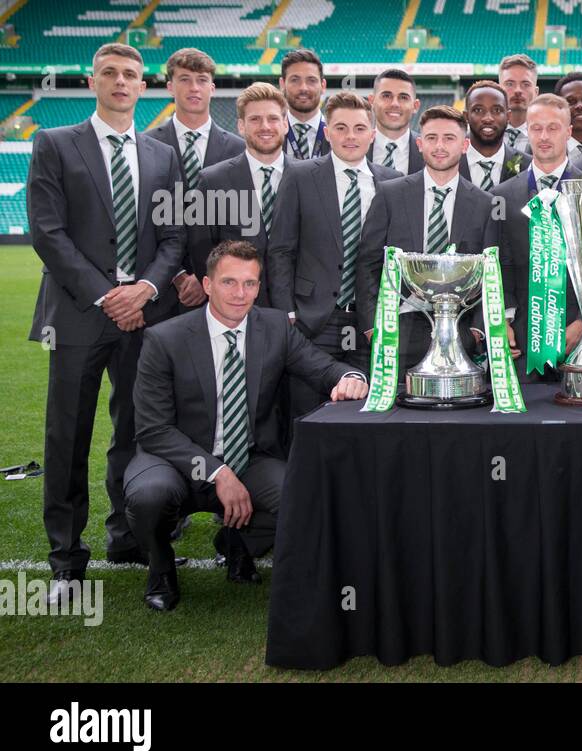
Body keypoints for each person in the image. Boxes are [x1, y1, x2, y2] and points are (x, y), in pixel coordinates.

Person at [125, 240, 368, 611]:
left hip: (249, 456)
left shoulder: (273, 327)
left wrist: (350, 376)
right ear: (207, 285)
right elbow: (153, 429)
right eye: (229, 282)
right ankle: (160, 566)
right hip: (176, 458)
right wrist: (219, 473)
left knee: (301, 496)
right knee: (149, 496)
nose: (241, 294)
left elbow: (321, 368)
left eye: (250, 283)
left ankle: (238, 542)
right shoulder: (165, 338)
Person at [28, 43, 185, 599]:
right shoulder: (54, 143)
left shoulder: (163, 155)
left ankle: (127, 534)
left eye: (131, 75)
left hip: (144, 314)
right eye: (110, 73)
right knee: (66, 434)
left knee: (136, 430)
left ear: (144, 87)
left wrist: (142, 289)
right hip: (77, 316)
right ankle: (66, 559)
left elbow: (173, 238)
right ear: (92, 80)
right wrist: (106, 294)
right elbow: (47, 232)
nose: (121, 82)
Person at [266, 91, 401, 417]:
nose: (350, 136)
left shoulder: (394, 183)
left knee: (367, 415)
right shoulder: (300, 176)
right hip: (313, 321)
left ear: (372, 133)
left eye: (358, 128)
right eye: (340, 128)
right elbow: (281, 248)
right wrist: (287, 313)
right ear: (327, 132)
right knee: (306, 414)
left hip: (372, 324)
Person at [358, 105, 514, 375]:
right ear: (419, 143)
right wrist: (374, 326)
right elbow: (368, 263)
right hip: (398, 326)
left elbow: (491, 272)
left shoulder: (484, 203)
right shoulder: (390, 195)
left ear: (464, 145)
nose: (439, 146)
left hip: (460, 328)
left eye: (449, 138)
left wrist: (477, 330)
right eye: (431, 138)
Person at [144, 47, 245, 312]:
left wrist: (207, 276)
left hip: (219, 287)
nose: (194, 88)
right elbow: (142, 219)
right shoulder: (145, 144)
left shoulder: (238, 149)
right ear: (169, 86)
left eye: (201, 80)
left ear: (212, 88)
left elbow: (240, 222)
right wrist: (176, 274)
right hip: (159, 286)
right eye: (185, 79)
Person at [494, 93, 582, 379]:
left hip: (579, 338)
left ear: (569, 132)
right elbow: (497, 265)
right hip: (520, 341)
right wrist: (503, 323)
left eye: (553, 128)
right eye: (536, 128)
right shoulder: (501, 197)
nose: (544, 136)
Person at [187, 82, 293, 292]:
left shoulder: (309, 177)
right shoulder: (212, 181)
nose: (265, 127)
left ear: (285, 124)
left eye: (273, 118)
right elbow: (201, 251)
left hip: (297, 308)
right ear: (241, 126)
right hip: (236, 306)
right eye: (255, 119)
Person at [459, 80, 531, 190]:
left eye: (497, 110)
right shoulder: (449, 162)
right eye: (478, 110)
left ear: (508, 116)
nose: (488, 118)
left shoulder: (529, 166)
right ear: (466, 116)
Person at [366, 69, 423, 175]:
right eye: (386, 96)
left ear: (415, 106)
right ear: (371, 101)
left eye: (403, 97)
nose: (395, 104)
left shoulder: (430, 151)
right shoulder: (353, 147)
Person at [279, 49, 329, 160]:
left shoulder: (338, 135)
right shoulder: (270, 135)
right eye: (295, 80)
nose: (303, 88)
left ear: (323, 86)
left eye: (311, 80)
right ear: (282, 85)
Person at [498, 53, 538, 154]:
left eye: (525, 84)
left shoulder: (548, 136)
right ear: (498, 90)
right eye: (510, 84)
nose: (517, 90)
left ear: (536, 92)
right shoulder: (480, 134)